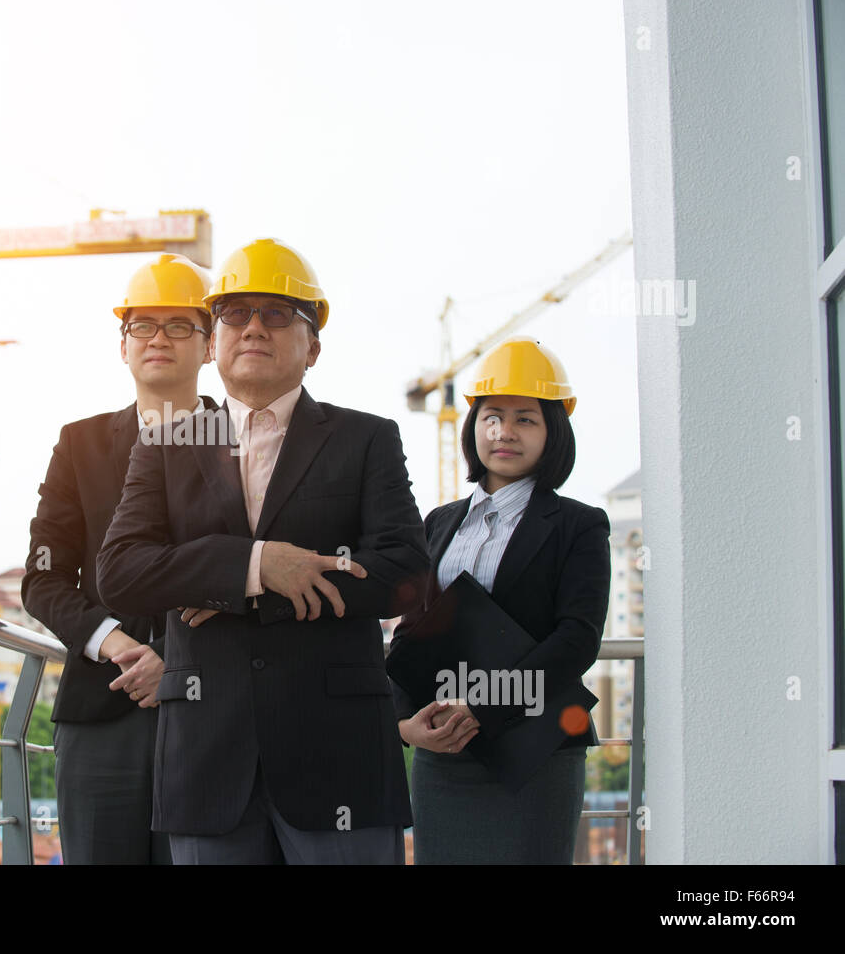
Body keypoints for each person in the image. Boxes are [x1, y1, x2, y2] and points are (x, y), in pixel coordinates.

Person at [96, 237, 429, 864]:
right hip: (206, 758)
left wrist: (253, 587)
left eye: (276, 314)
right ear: (214, 340)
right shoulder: (166, 443)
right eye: (234, 314)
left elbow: (405, 571)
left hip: (338, 756)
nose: (252, 327)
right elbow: (120, 573)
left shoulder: (366, 439)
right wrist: (251, 566)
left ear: (314, 346)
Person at [21, 253, 218, 864]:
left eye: (179, 325)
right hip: (103, 705)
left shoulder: (247, 440)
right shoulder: (79, 444)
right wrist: (117, 644)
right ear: (123, 344)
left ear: (209, 345)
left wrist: (177, 660)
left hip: (215, 710)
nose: (158, 338)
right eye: (143, 326)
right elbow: (44, 577)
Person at [391, 336, 610, 864]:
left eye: (525, 419)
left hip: (533, 749)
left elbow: (577, 638)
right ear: (474, 428)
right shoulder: (439, 522)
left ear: (552, 431)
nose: (504, 432)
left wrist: (484, 706)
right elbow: (409, 634)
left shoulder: (578, 525)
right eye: (491, 416)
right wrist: (405, 723)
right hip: (444, 750)